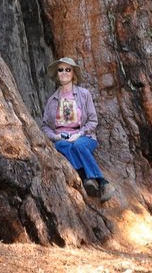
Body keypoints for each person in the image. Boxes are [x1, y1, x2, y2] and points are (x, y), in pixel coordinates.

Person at [41, 57, 113, 202]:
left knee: (79, 145)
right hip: (63, 139)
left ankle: (102, 182)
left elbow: (93, 120)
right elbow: (44, 126)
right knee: (61, 146)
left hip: (84, 137)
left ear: (73, 74)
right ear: (57, 74)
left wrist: (79, 134)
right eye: (60, 70)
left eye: (68, 69)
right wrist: (56, 136)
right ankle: (86, 178)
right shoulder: (52, 100)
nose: (64, 72)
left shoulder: (84, 94)